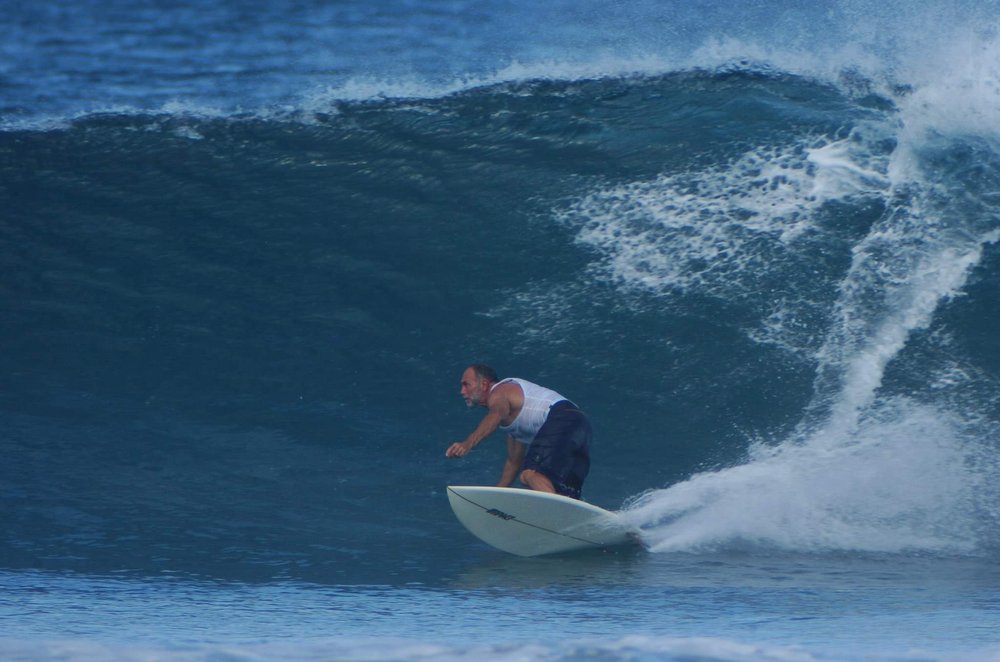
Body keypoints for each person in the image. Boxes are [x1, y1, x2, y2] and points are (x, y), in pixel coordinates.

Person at [445, 364, 591, 499]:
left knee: (530, 474)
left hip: (562, 417)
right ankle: (574, 521)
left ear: (484, 384)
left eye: (466, 385)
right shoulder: (515, 419)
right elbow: (514, 462)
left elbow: (496, 415)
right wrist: (497, 494)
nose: (462, 391)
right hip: (580, 425)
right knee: (562, 490)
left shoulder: (499, 392)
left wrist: (467, 444)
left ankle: (557, 512)